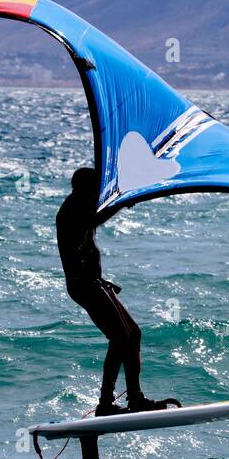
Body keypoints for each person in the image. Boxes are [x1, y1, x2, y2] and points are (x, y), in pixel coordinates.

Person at [57, 167, 180, 415]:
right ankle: (112, 403)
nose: (99, 194)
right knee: (122, 338)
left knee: (132, 334)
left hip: (94, 283)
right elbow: (93, 220)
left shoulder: (83, 204)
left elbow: (97, 214)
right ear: (85, 189)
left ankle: (127, 399)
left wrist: (126, 196)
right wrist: (121, 203)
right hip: (84, 285)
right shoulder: (72, 210)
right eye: (96, 189)